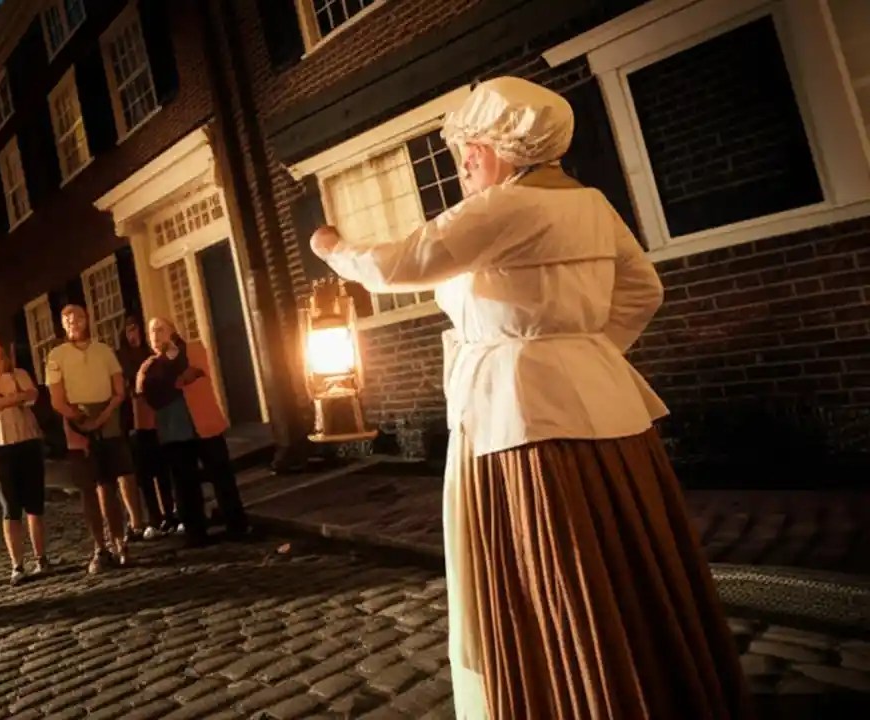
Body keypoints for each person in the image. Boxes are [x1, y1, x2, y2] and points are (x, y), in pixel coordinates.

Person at [310, 76, 751, 719]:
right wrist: (581, 355)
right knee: (626, 556)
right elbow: (642, 291)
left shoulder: (501, 208)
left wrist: (333, 248)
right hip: (601, 404)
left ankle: (566, 695)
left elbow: (398, 264)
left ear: (495, 148)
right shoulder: (592, 204)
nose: (464, 167)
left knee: (548, 566)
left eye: (467, 151)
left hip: (515, 418)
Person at [138, 317, 250, 548]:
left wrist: (174, 379)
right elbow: (149, 393)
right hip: (174, 432)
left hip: (205, 425)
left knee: (222, 476)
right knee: (184, 484)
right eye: (152, 332)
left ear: (173, 332)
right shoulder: (149, 367)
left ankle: (237, 524)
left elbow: (191, 373)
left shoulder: (194, 349)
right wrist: (174, 380)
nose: (156, 335)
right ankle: (196, 532)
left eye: (161, 330)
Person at [45, 304, 131, 574]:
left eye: (78, 316)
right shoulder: (56, 356)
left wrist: (104, 415)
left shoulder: (103, 351)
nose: (74, 322)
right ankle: (99, 546)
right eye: (68, 318)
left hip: (107, 420)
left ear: (87, 319)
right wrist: (81, 420)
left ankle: (120, 542)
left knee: (109, 485)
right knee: (88, 488)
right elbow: (57, 400)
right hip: (76, 423)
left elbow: (119, 390)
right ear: (62, 324)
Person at [0, 336, 50, 585]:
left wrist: (0, 399)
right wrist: (14, 398)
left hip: (28, 441)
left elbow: (32, 394)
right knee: (10, 507)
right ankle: (17, 564)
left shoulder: (20, 373)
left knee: (35, 503)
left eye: (0, 355)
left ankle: (41, 557)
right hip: (1, 448)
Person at [117, 314, 178, 538]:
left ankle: (169, 513)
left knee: (163, 470)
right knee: (143, 474)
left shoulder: (151, 356)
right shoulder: (121, 358)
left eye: (136, 329)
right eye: (129, 330)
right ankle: (150, 518)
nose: (134, 334)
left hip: (156, 418)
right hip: (133, 422)